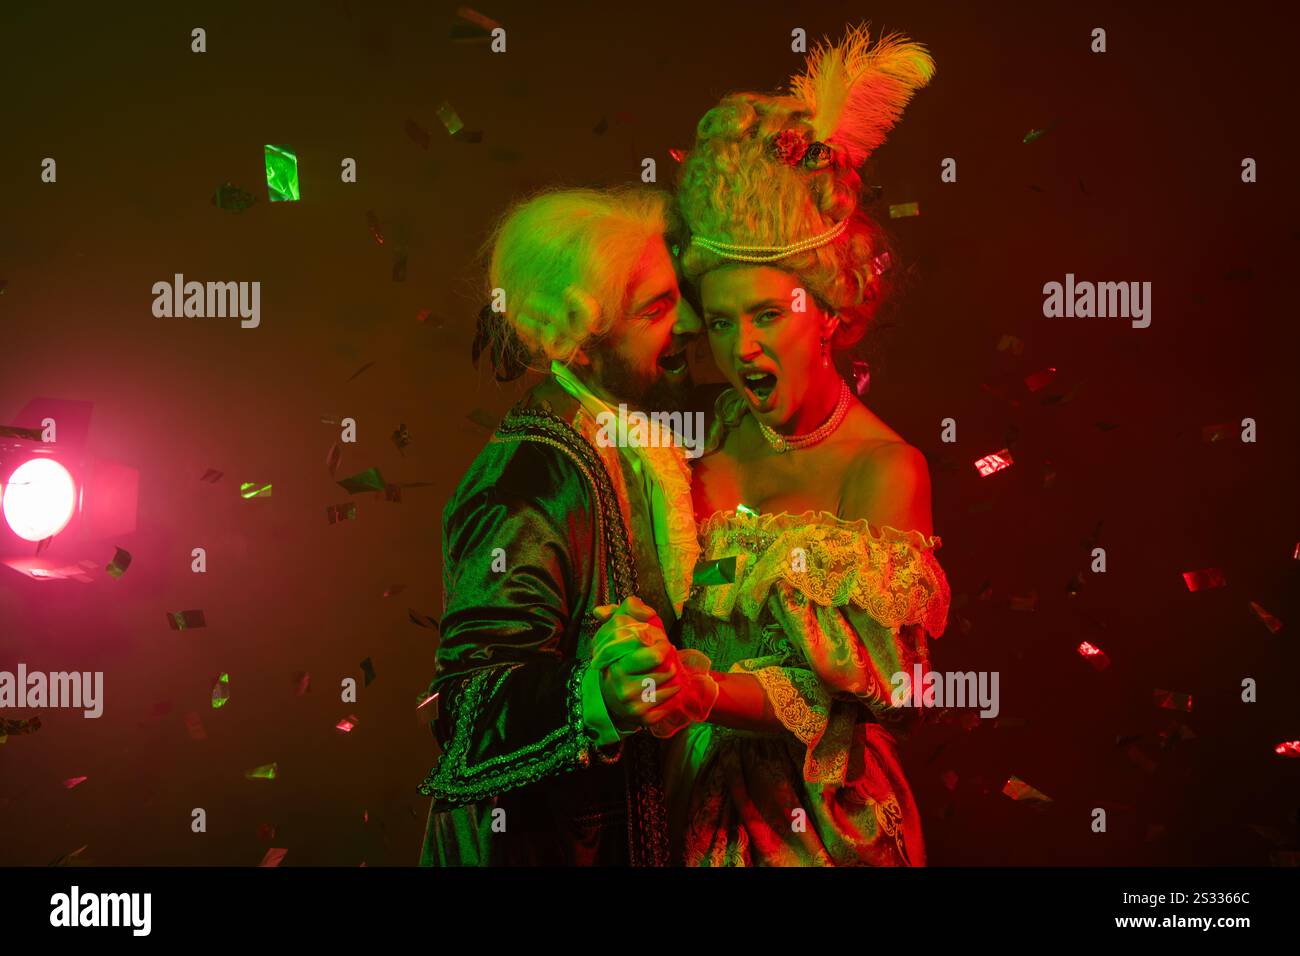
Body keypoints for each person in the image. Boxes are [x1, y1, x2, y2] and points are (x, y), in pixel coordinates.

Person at [664, 24, 951, 865]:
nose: (742, 349)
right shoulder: (699, 439)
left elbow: (869, 696)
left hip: (820, 823)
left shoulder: (884, 470)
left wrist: (701, 691)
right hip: (679, 798)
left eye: (766, 316)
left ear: (827, 310)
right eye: (721, 322)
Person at [417, 186, 704, 865]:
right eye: (658, 308)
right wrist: (599, 694)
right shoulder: (524, 480)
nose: (689, 322)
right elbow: (469, 714)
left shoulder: (635, 440)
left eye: (679, 295)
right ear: (577, 340)